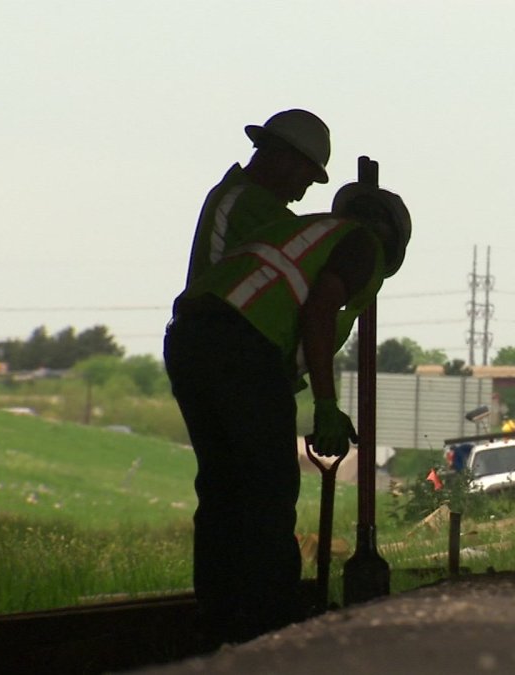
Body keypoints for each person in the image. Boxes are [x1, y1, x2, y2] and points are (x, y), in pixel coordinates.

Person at [164, 180, 410, 646]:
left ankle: (219, 621)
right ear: (392, 242)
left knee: (222, 490)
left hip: (188, 338)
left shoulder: (304, 232)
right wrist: (324, 402)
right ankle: (270, 626)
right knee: (268, 489)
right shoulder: (362, 246)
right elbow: (319, 309)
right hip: (242, 344)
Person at [185, 109, 332, 285]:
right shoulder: (243, 201)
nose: (299, 196)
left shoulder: (238, 197)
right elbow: (313, 246)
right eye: (303, 181)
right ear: (283, 158)